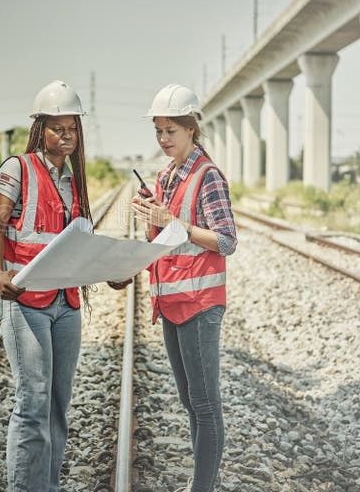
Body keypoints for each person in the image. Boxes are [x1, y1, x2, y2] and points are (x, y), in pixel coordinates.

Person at [0, 80, 93, 492]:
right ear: (40, 129)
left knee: (56, 406)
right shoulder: (17, 169)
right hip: (25, 302)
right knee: (32, 404)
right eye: (58, 129)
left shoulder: (73, 178)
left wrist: (111, 272)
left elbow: (75, 247)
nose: (66, 136)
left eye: (73, 129)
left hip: (65, 305)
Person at [131, 84, 238, 492]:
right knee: (190, 402)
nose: (163, 139)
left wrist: (172, 221)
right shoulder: (166, 176)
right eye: (158, 131)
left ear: (192, 129)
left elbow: (226, 240)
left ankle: (202, 488)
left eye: (171, 131)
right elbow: (163, 240)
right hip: (172, 302)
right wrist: (151, 217)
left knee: (206, 406)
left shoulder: (206, 176)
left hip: (199, 302)